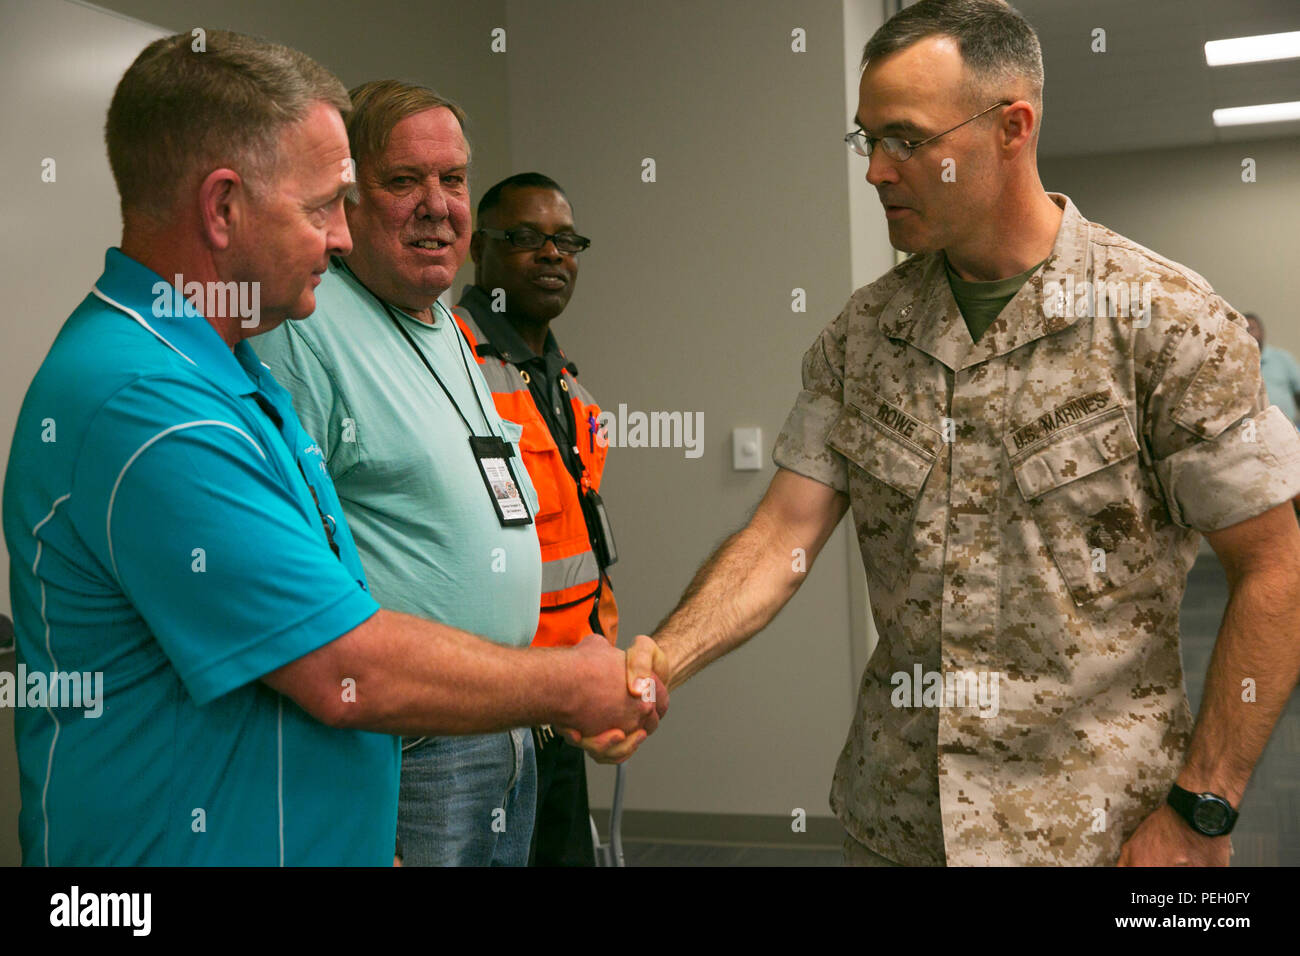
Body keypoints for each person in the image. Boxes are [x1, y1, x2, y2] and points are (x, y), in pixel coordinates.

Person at [583, 0, 1300, 866]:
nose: (878, 172)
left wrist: (1202, 810)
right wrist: (663, 660)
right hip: (899, 826)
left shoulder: (1162, 320)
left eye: (906, 139)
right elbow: (782, 537)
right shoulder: (862, 336)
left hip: (1097, 834)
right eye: (866, 140)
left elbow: (1274, 569)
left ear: (1012, 127)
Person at [2, 31, 663, 867]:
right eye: (322, 207)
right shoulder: (147, 403)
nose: (341, 238)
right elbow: (341, 665)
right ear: (223, 207)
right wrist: (570, 682)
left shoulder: (228, 366)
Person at [253, 83, 582, 866]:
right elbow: (289, 580)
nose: (438, 206)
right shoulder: (308, 327)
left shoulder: (448, 325)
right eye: (404, 182)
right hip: (406, 754)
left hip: (501, 731)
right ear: (347, 197)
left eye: (454, 180)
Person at [453, 172, 618, 866]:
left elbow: (582, 548)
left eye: (566, 241)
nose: (552, 255)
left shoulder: (567, 387)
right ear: (476, 251)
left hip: (562, 702)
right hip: (485, 713)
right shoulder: (448, 360)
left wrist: (602, 663)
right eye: (524, 238)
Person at [1245, 312, 1300, 426]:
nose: (1249, 334)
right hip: (1253, 433)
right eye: (1244, 330)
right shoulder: (1236, 365)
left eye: (1252, 329)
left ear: (1262, 332)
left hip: (1288, 428)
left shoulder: (1282, 358)